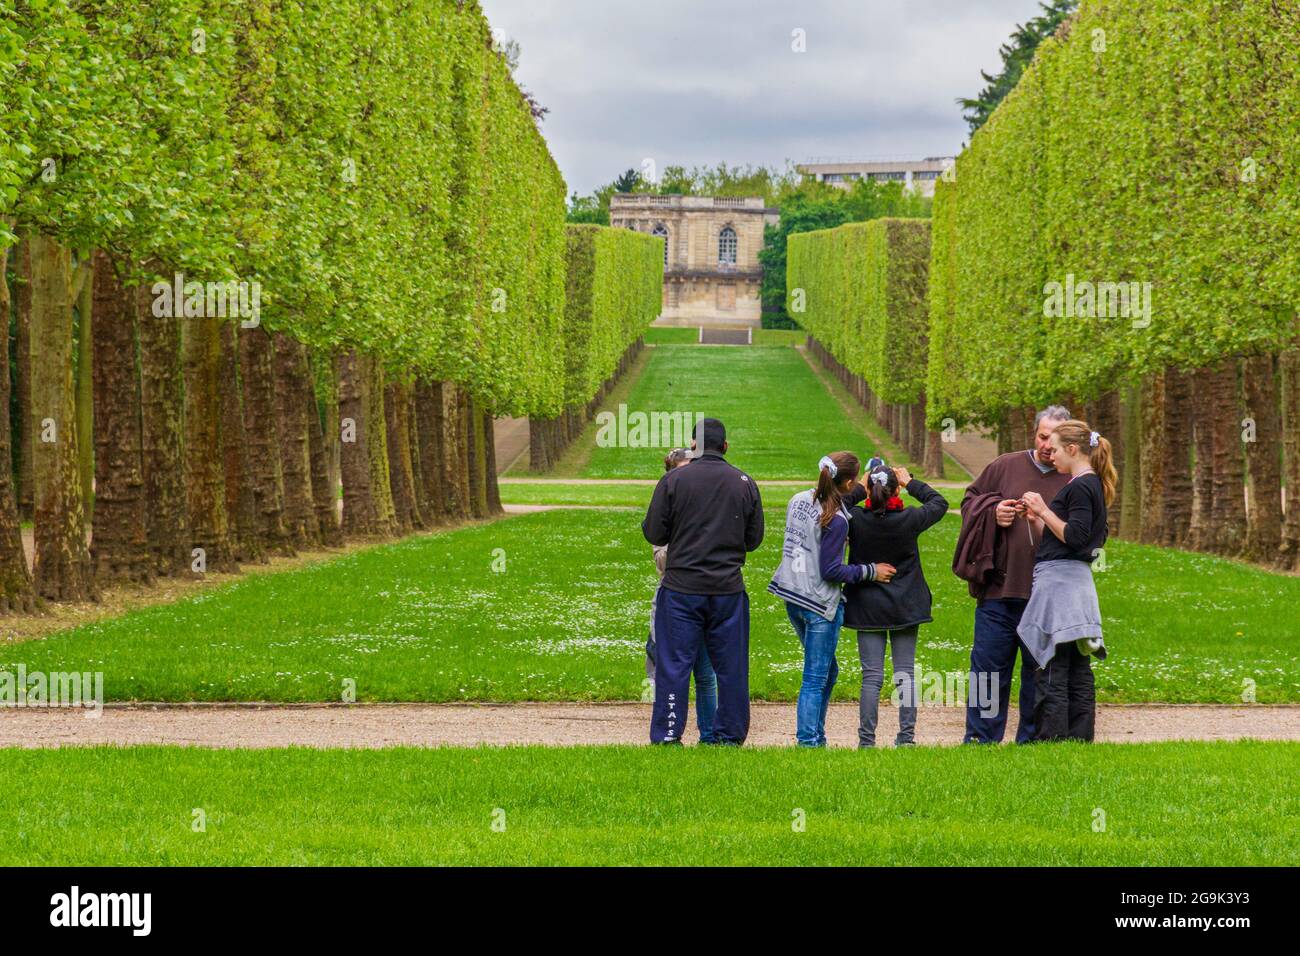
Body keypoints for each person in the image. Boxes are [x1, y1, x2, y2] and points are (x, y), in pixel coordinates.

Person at [954, 406, 1072, 744]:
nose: (1048, 444)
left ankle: (1031, 742)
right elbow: (970, 501)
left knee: (1039, 675)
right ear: (1034, 433)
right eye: (1042, 435)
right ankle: (980, 739)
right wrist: (994, 512)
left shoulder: (1073, 477)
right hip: (999, 591)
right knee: (989, 672)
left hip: (1047, 597)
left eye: (1057, 438)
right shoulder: (1005, 465)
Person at [642, 418, 764, 745]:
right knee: (731, 668)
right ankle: (728, 736)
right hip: (727, 589)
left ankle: (668, 733)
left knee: (674, 667)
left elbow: (653, 532)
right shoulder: (744, 482)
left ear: (693, 446)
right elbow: (754, 540)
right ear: (725, 447)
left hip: (681, 588)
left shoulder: (674, 481)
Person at [768, 452, 894, 747]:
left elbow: (824, 515)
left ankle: (816, 734)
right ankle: (809, 741)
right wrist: (871, 571)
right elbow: (831, 570)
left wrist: (858, 487)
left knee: (828, 671)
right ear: (849, 482)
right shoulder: (837, 521)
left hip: (792, 594)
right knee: (815, 677)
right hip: (818, 603)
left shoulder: (799, 499)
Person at [1017, 419, 1115, 742]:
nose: (1051, 454)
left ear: (1073, 449)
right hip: (1074, 585)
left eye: (1056, 448)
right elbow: (1066, 539)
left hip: (1061, 586)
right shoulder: (1090, 485)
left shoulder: (1082, 485)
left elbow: (1075, 537)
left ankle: (1053, 739)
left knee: (1054, 666)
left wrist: (1044, 510)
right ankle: (1078, 739)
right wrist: (1037, 519)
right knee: (1076, 666)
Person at [844, 461, 948, 747]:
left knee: (872, 677)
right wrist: (911, 482)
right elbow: (939, 503)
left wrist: (858, 488)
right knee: (905, 674)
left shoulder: (855, 518)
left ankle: (866, 741)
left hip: (867, 604)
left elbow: (833, 506)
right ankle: (906, 738)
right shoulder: (910, 519)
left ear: (869, 488)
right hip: (906, 604)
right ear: (895, 490)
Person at [645, 448, 717, 743]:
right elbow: (660, 557)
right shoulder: (667, 507)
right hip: (673, 596)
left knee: (706, 673)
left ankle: (710, 735)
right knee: (672, 673)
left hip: (705, 594)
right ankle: (669, 734)